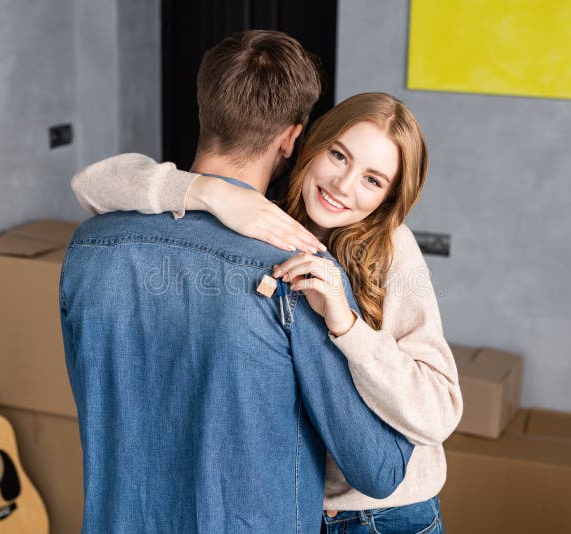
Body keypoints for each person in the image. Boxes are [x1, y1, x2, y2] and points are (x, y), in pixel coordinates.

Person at [60, 30, 414, 533]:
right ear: (292, 138)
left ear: (204, 107)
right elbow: (379, 469)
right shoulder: (299, 272)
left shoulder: (88, 247)